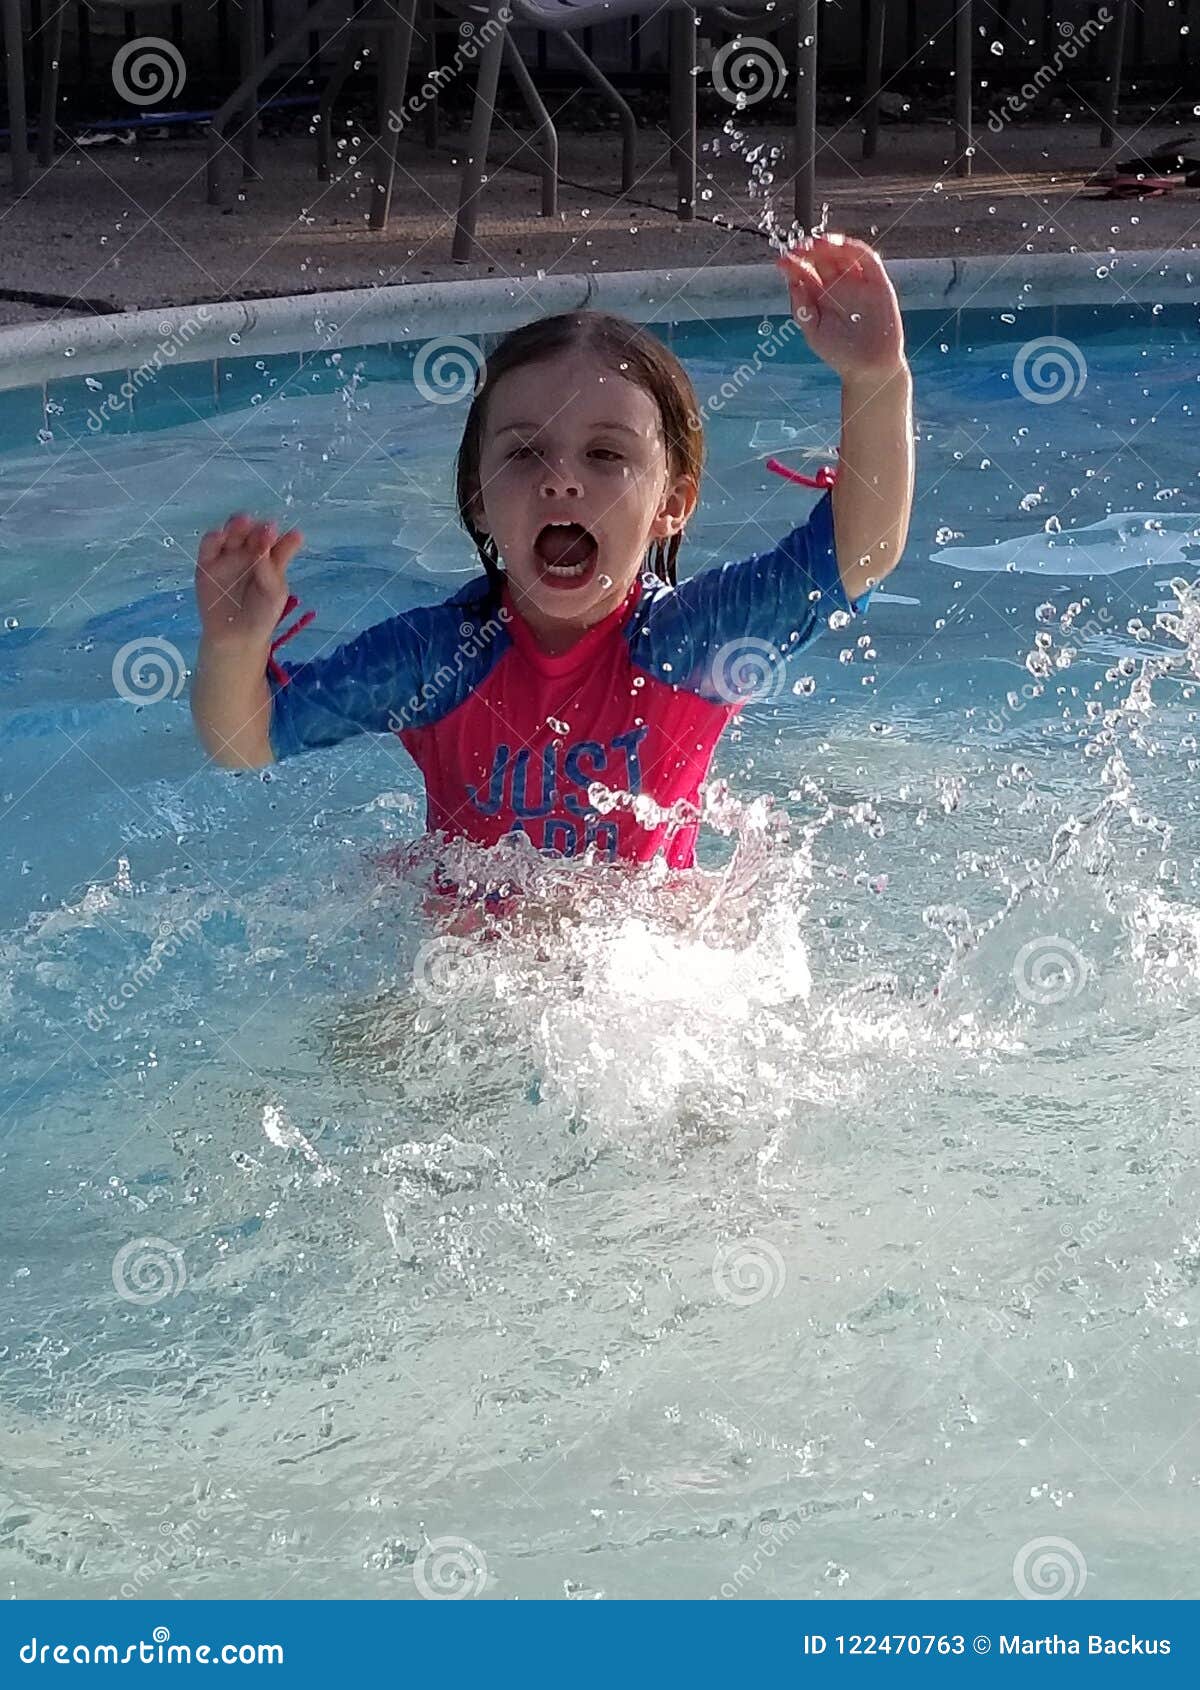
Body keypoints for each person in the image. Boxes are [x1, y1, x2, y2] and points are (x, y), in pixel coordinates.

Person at [190, 234, 914, 876]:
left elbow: (864, 553)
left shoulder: (692, 644)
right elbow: (244, 741)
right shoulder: (438, 661)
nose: (561, 477)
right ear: (477, 499)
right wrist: (233, 642)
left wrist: (876, 379)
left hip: (646, 976)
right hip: (465, 963)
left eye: (605, 454)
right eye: (526, 453)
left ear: (672, 506)